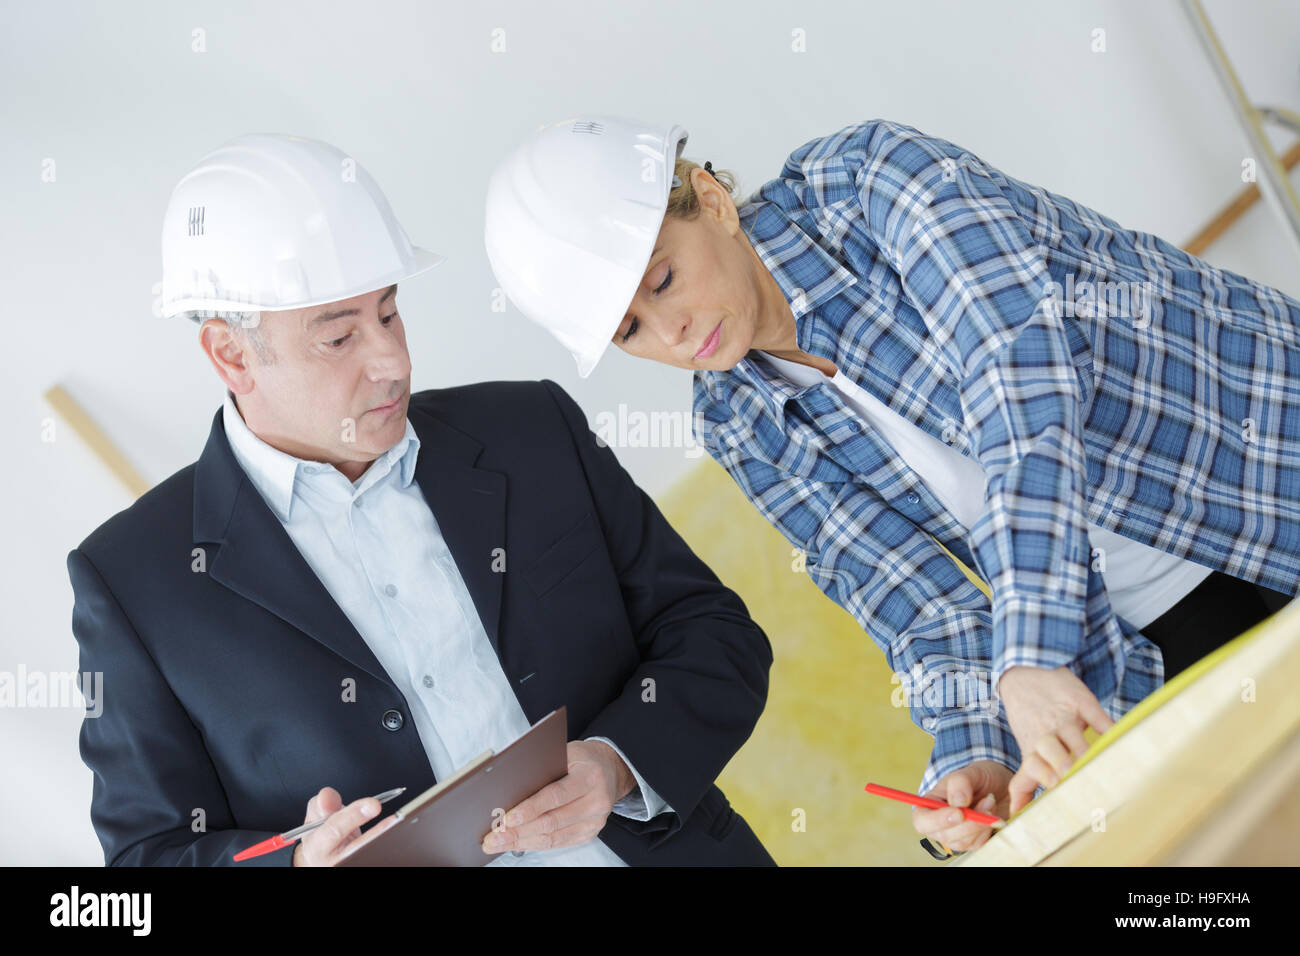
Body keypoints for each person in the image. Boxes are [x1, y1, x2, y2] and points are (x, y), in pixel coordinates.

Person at [484, 114, 1299, 854]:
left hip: (1269, 468)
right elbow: (916, 605)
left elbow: (1023, 385)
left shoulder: (873, 181)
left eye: (662, 281)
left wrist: (1028, 659)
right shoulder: (738, 423)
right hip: (1157, 623)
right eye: (631, 329)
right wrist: (972, 749)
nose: (674, 332)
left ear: (711, 200)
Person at [68, 133, 775, 867]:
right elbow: (145, 861)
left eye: (389, 311)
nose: (393, 361)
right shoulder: (134, 583)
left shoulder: (530, 431)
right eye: (339, 339)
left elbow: (713, 631)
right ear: (231, 354)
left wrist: (618, 762)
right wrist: (297, 865)